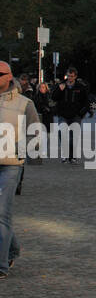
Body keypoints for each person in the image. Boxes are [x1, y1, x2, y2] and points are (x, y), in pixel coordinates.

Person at [0, 61, 39, 280]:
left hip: (10, 165)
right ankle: (12, 250)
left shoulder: (25, 103)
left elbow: (35, 131)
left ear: (9, 76)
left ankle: (1, 265)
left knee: (1, 212)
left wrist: (21, 151)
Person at [52, 68, 90, 163]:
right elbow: (54, 97)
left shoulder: (80, 87)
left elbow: (86, 101)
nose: (70, 78)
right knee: (62, 133)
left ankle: (72, 156)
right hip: (63, 114)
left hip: (75, 115)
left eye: (72, 76)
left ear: (75, 76)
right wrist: (60, 90)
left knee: (74, 136)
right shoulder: (61, 85)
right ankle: (65, 154)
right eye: (68, 76)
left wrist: (81, 113)